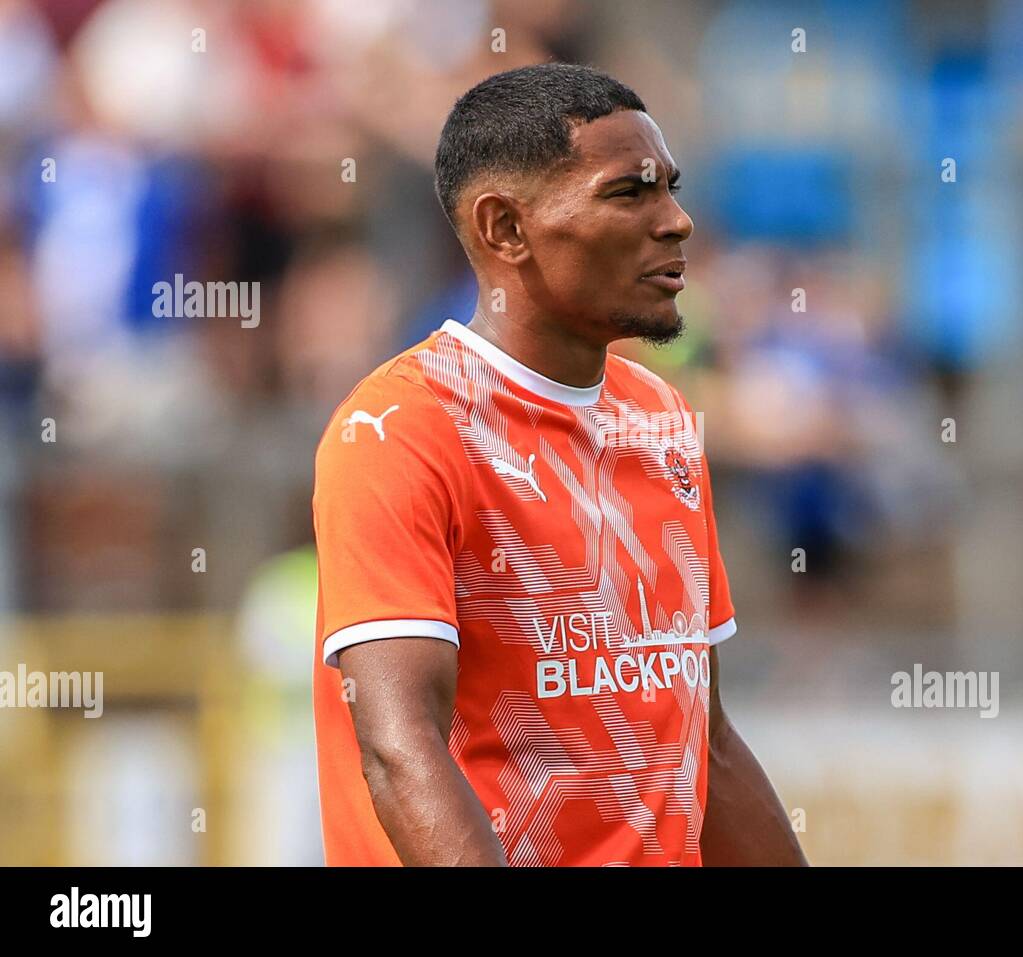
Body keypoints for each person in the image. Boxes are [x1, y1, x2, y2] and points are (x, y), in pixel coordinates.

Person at [312, 62, 806, 866]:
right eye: (629, 193)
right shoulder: (401, 430)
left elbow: (705, 744)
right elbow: (401, 752)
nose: (677, 221)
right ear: (506, 228)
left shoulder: (663, 418)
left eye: (671, 190)